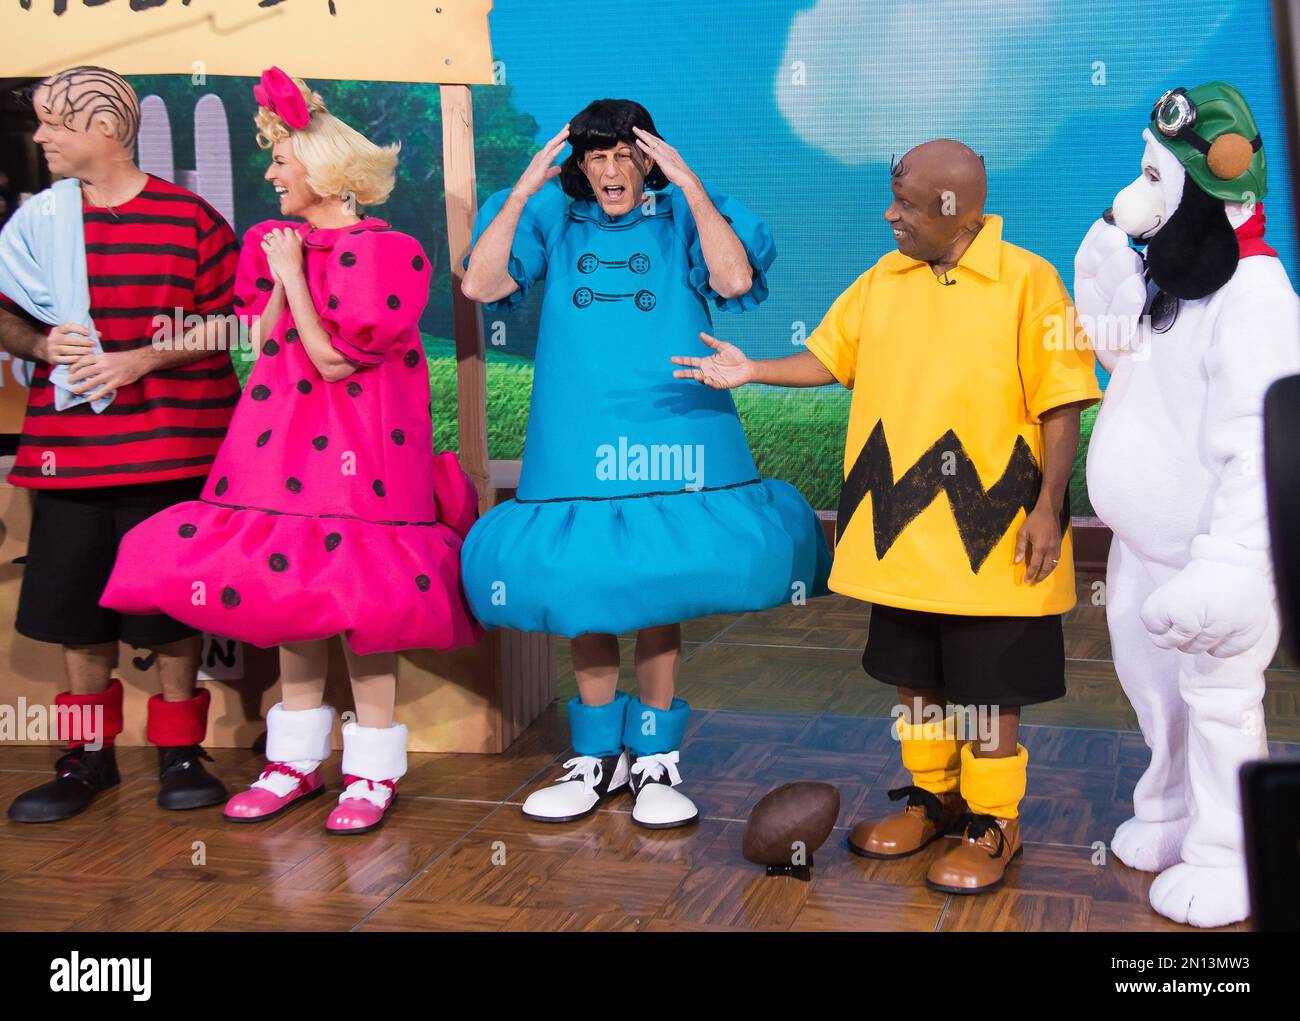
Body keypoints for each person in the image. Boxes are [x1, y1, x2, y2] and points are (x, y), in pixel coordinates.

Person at [674, 139, 1101, 891]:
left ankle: (995, 820)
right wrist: (753, 368)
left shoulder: (1028, 282)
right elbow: (833, 357)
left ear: (953, 208)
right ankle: (934, 798)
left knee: (987, 687)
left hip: (989, 538)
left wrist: (1047, 508)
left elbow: (1062, 404)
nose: (889, 213)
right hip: (903, 535)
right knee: (916, 676)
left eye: (904, 201)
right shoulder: (884, 278)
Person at [99, 68, 482, 835]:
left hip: (364, 459)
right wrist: (281, 276)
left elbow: (338, 359)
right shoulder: (272, 245)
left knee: (366, 609)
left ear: (324, 168)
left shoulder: (390, 252)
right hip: (278, 455)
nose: (270, 174)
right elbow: (266, 341)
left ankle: (371, 773)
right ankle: (294, 763)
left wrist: (293, 277)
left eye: (281, 160)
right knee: (294, 597)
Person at [461, 99, 830, 829]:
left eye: (624, 155)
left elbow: (730, 282)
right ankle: (598, 758)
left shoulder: (689, 211)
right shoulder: (547, 216)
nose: (610, 171)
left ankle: (656, 761)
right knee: (586, 583)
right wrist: (529, 185)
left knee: (662, 582)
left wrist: (689, 184)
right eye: (595, 157)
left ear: (647, 158)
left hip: (675, 417)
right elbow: (481, 285)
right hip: (577, 426)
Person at [0, 66, 240, 822]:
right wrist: (41, 345)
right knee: (75, 613)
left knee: (170, 608)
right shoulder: (36, 222)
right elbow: (3, 313)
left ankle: (179, 752)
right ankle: (85, 759)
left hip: (174, 450)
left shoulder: (192, 221)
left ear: (103, 127)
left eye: (53, 123)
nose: (39, 137)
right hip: (69, 454)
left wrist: (139, 358)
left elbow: (230, 321)